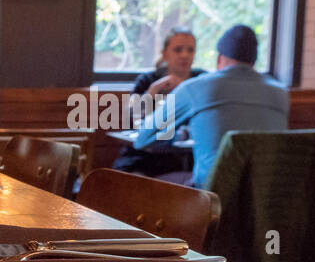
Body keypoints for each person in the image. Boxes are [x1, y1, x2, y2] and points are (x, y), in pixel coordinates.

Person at [132, 24, 289, 188]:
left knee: (144, 187)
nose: (184, 55)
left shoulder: (195, 87)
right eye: (178, 50)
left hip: (212, 195)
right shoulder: (281, 93)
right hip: (266, 194)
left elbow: (142, 139)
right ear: (254, 61)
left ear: (219, 59)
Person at [113, 28, 206, 178]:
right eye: (178, 50)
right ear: (164, 54)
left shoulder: (201, 79)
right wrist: (152, 91)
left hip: (190, 160)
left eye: (190, 50)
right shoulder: (148, 80)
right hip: (145, 159)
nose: (185, 55)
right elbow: (131, 119)